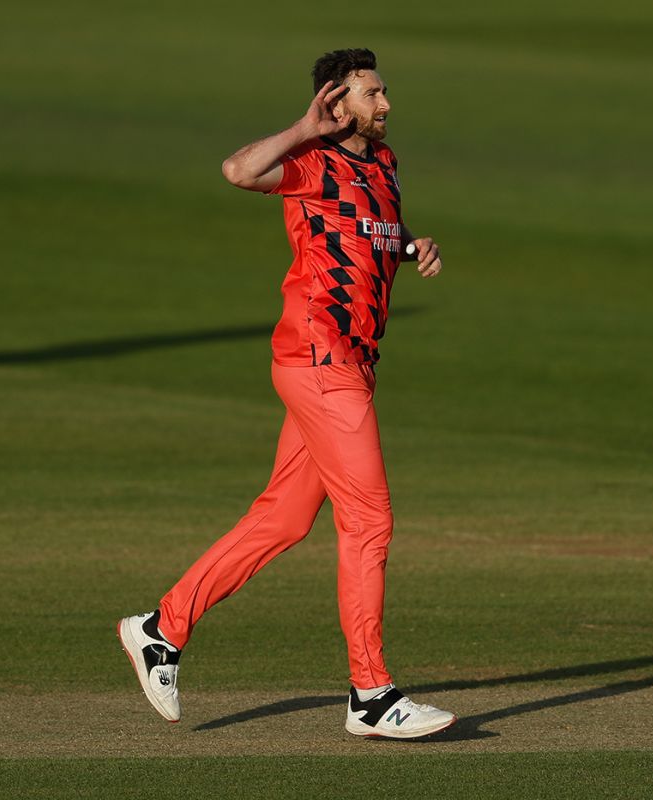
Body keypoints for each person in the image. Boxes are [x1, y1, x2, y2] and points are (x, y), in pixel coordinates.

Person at [117, 48, 456, 739]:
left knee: (283, 519)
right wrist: (304, 128)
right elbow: (238, 170)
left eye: (384, 91)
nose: (385, 105)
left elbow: (362, 239)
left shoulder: (384, 166)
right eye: (371, 94)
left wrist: (407, 247)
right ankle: (370, 694)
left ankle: (160, 628)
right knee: (369, 522)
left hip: (349, 364)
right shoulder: (312, 164)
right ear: (337, 101)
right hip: (319, 358)